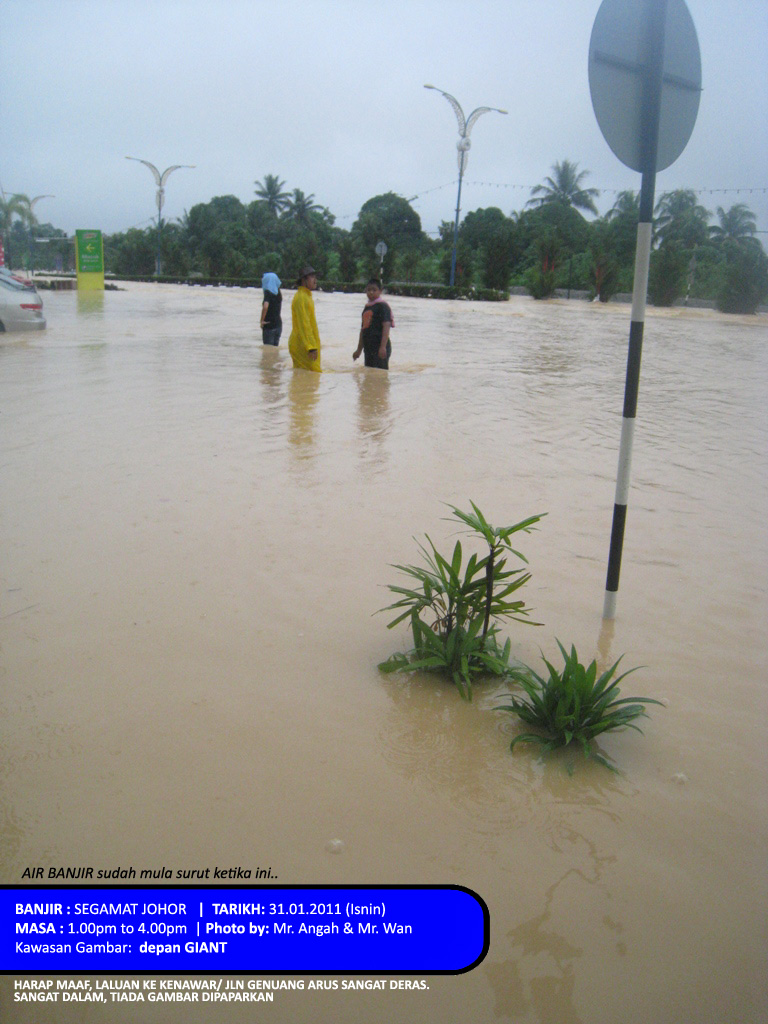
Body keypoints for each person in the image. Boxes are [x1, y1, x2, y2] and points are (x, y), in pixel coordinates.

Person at [353, 278, 393, 369]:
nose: (371, 292)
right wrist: (359, 350)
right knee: (369, 376)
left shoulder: (383, 307)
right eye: (368, 290)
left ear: (380, 291)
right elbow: (363, 330)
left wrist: (383, 347)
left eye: (374, 290)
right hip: (368, 348)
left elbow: (386, 326)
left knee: (381, 376)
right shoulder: (367, 308)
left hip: (380, 347)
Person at [288, 266, 322, 372]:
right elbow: (304, 324)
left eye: (315, 277)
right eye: (312, 277)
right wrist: (311, 347)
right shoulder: (301, 298)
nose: (315, 280)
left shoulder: (306, 296)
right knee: (313, 375)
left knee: (305, 378)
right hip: (303, 345)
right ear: (304, 280)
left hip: (305, 344)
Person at [260, 272, 282, 345]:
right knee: (274, 351)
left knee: (267, 352)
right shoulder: (278, 293)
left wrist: (262, 320)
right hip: (278, 324)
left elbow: (265, 306)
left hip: (269, 325)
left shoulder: (268, 292)